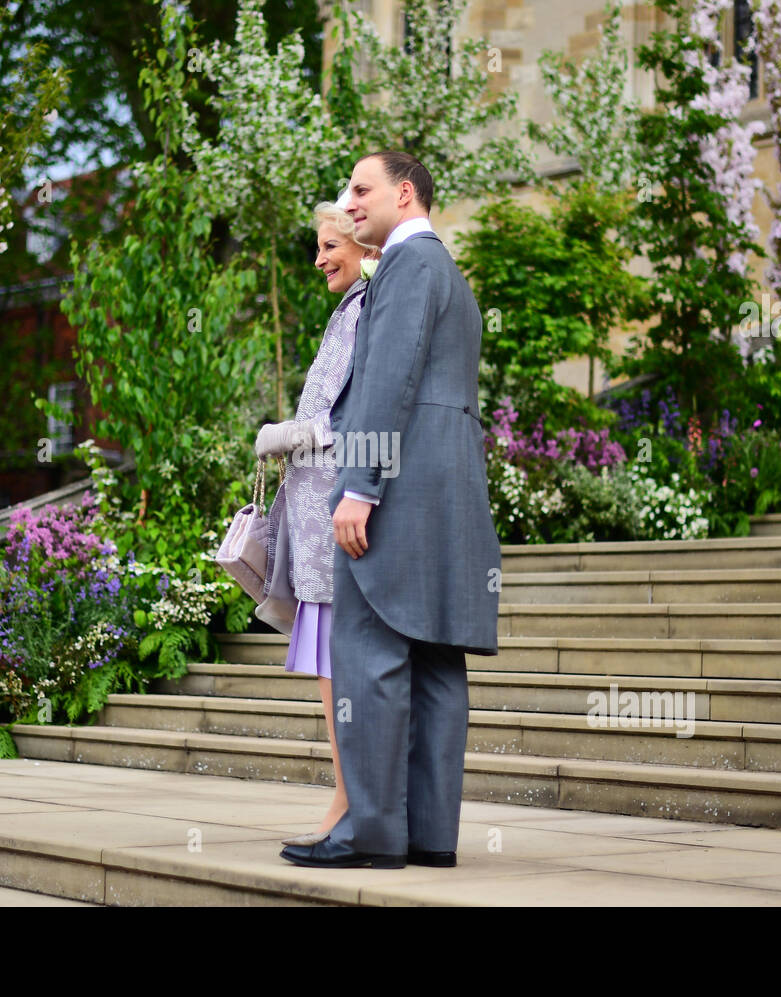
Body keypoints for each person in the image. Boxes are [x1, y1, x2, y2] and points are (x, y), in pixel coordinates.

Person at [280, 150, 501, 870]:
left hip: (399, 497)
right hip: (452, 501)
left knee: (370, 652)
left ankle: (369, 833)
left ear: (404, 195)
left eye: (360, 190)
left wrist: (360, 486)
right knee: (436, 665)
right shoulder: (455, 279)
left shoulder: (406, 267)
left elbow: (389, 380)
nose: (348, 205)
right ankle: (430, 836)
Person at [254, 200, 381, 847]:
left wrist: (287, 433)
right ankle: (346, 795)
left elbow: (349, 415)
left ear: (360, 245)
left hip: (335, 520)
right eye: (318, 245)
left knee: (342, 673)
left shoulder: (366, 309)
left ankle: (348, 800)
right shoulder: (348, 309)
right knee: (335, 675)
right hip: (317, 523)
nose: (319, 258)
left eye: (329, 245)